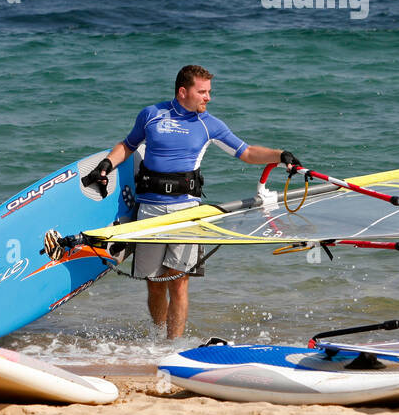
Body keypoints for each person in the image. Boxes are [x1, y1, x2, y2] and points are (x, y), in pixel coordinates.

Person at [71, 65, 300, 339]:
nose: (208, 98)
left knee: (178, 282)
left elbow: (247, 152)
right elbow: (128, 145)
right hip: (149, 210)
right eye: (202, 92)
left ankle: (173, 345)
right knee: (154, 282)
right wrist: (105, 165)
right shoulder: (151, 115)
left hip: (185, 212)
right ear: (183, 92)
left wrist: (280, 154)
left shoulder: (209, 124)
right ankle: (156, 338)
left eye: (209, 92)